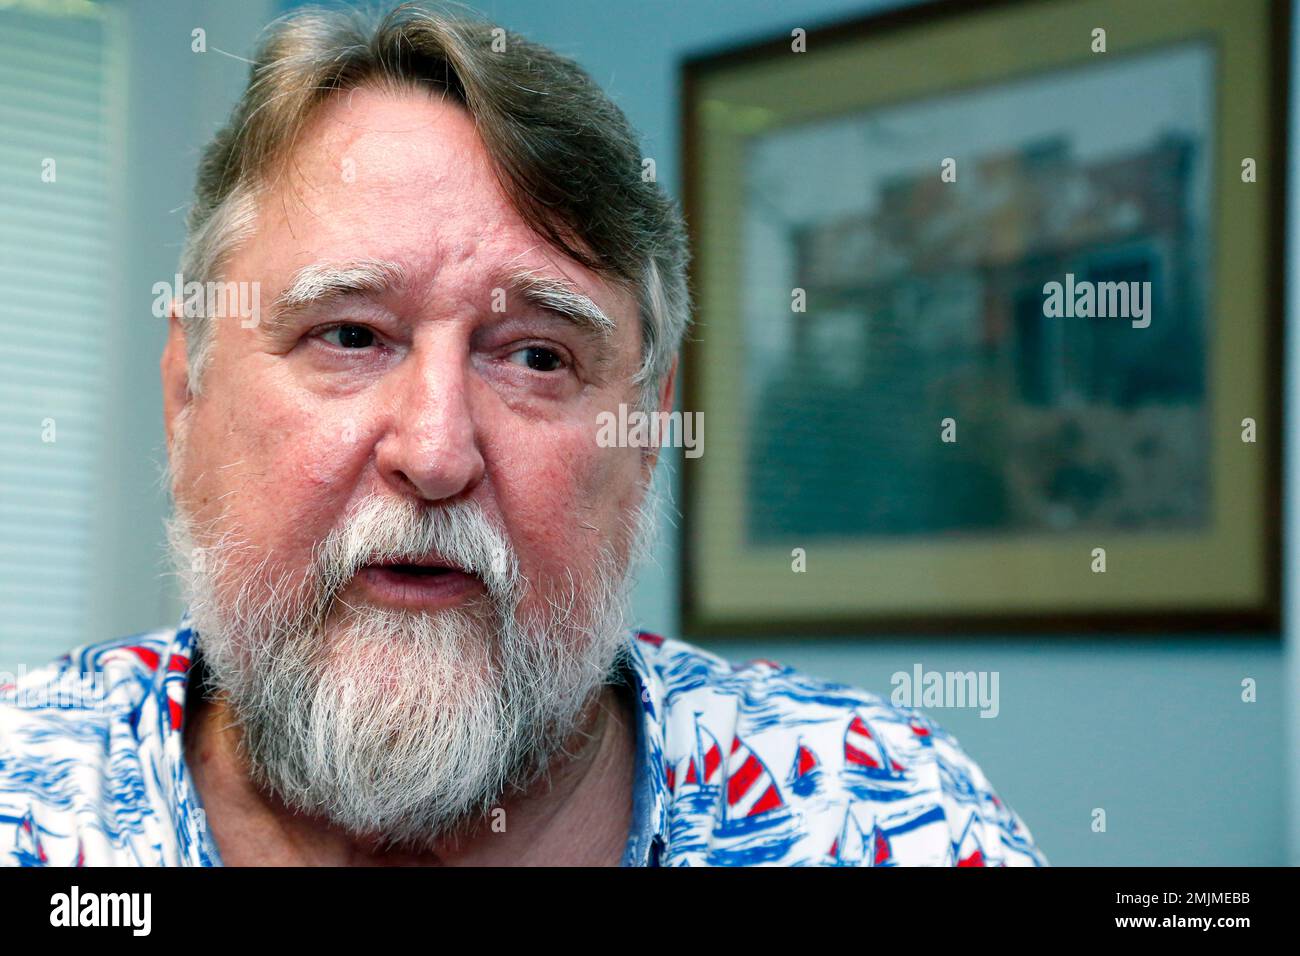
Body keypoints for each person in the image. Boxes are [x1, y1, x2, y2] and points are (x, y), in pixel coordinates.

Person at [0, 2, 1045, 867]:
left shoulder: (875, 812)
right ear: (188, 396)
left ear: (644, 431)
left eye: (537, 356)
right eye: (350, 333)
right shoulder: (26, 803)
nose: (438, 450)